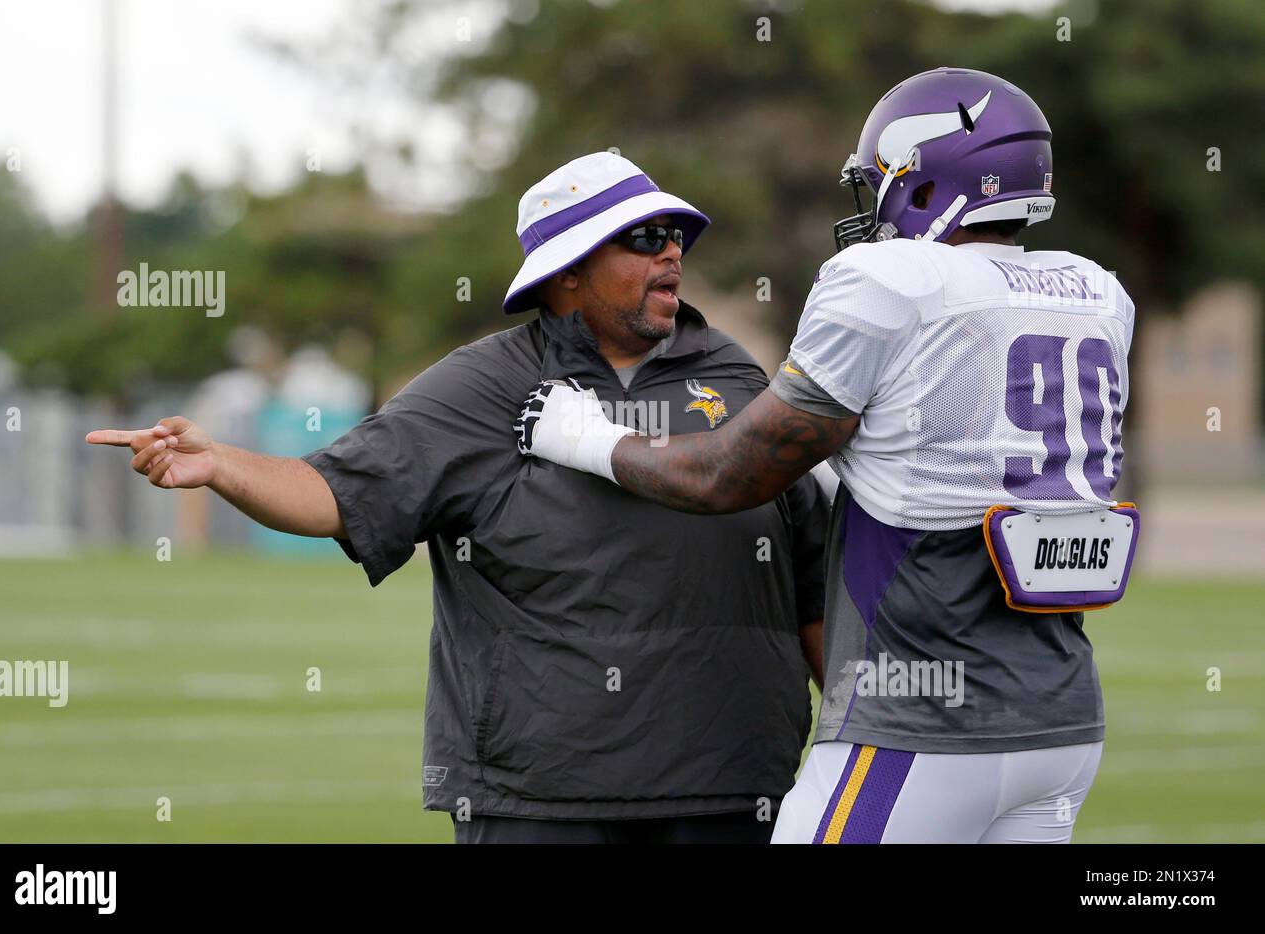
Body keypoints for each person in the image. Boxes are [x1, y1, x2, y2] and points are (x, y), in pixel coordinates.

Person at [86, 152, 828, 844]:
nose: (672, 252)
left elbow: (811, 573)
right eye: (643, 237)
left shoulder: (735, 376)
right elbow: (338, 492)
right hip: (539, 801)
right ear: (566, 270)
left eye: (674, 235)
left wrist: (858, 733)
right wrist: (220, 463)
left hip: (735, 791)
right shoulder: (481, 388)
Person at [516, 70, 1136, 843]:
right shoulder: (1098, 295)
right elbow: (941, 451)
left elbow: (728, 475)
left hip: (922, 722)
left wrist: (586, 435)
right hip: (1062, 723)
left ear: (919, 176)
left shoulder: (895, 281)